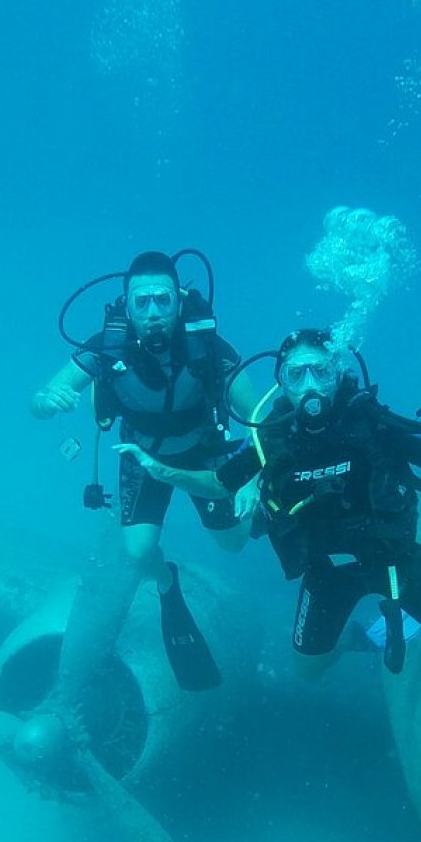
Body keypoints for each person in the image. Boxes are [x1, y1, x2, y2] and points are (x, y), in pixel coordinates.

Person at [118, 328, 421, 680]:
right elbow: (220, 483)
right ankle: (359, 639)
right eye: (297, 375)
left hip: (393, 560)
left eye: (320, 371)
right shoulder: (274, 440)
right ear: (283, 385)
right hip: (325, 572)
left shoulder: (371, 423)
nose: (310, 386)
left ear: (337, 374)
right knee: (307, 672)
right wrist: (164, 471)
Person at [31, 250, 261, 690]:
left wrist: (253, 475)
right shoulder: (106, 348)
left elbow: (258, 417)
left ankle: (257, 513)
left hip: (202, 453)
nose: (153, 312)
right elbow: (43, 396)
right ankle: (165, 581)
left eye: (162, 300)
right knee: (138, 554)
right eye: (142, 302)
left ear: (179, 301)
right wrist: (47, 401)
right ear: (127, 304)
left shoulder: (209, 347)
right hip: (140, 455)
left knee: (233, 543)